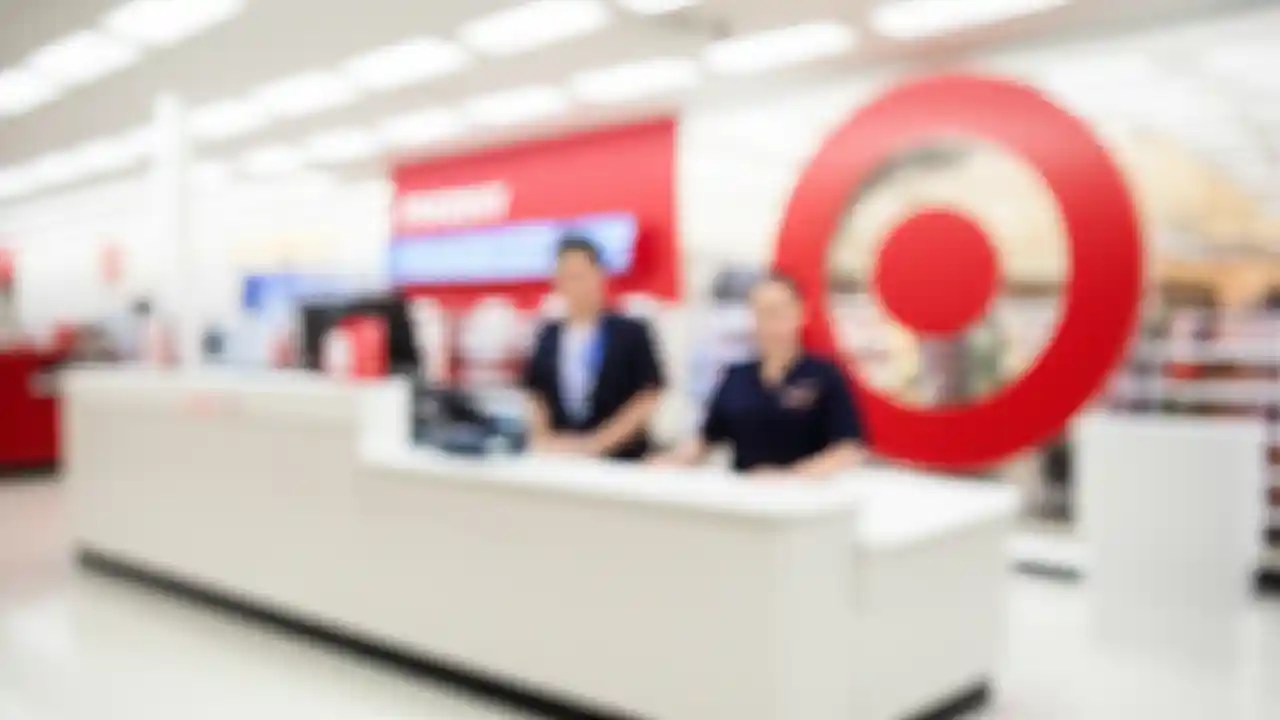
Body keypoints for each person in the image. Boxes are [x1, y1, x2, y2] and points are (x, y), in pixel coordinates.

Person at [657, 273, 864, 476]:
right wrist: (670, 462)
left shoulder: (824, 376)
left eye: (777, 311)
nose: (769, 321)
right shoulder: (736, 376)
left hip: (804, 498)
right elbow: (705, 440)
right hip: (746, 496)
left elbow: (847, 449)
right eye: (761, 312)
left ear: (800, 312)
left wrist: (791, 477)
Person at [521, 235, 665, 460]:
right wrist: (543, 440)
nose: (573, 284)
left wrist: (598, 443)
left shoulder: (630, 331)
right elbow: (536, 393)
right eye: (566, 276)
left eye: (580, 275)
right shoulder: (548, 334)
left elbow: (648, 394)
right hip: (561, 456)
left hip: (621, 458)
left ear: (600, 275)